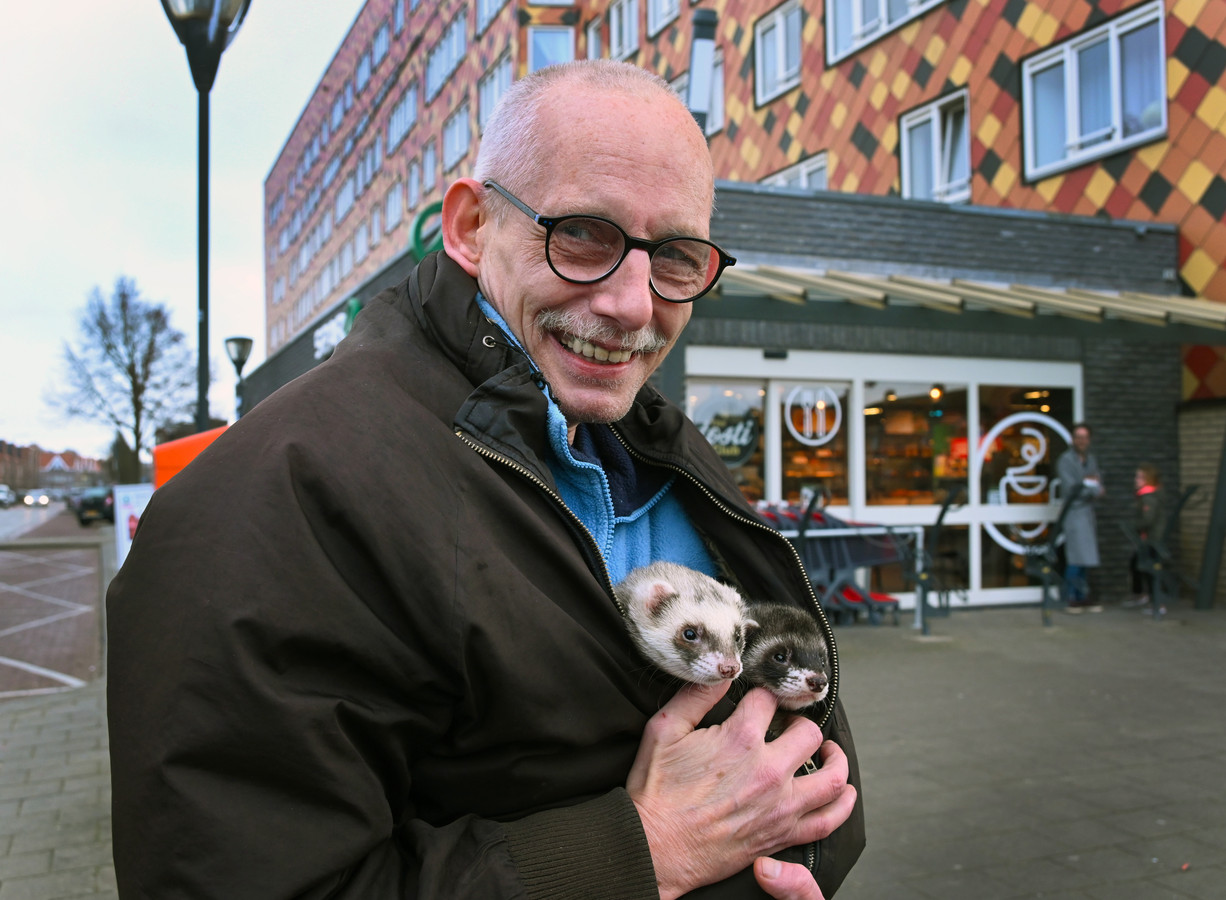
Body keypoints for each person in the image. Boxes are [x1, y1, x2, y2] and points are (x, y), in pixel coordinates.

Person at [106, 61, 864, 900]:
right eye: (584, 235)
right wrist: (644, 850)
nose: (634, 305)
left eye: (678, 257)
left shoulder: (656, 443)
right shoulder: (279, 494)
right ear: (471, 227)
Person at [1057, 423, 1104, 612]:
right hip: (1074, 514)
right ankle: (1071, 598)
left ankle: (1082, 596)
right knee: (1075, 557)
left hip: (1087, 515)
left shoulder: (1091, 460)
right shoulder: (1065, 460)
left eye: (1085, 437)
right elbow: (1072, 489)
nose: (1081, 441)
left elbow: (1097, 483)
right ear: (1072, 439)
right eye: (1078, 437)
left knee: (1085, 558)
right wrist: (1090, 488)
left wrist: (1090, 486)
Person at [1125, 463, 1166, 612]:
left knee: (1149, 569)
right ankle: (1144, 596)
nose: (1136, 480)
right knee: (1138, 565)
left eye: (1140, 477)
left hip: (1151, 540)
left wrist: (1133, 525)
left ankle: (1157, 604)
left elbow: (1148, 519)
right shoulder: (1146, 496)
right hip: (1148, 539)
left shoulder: (1149, 497)